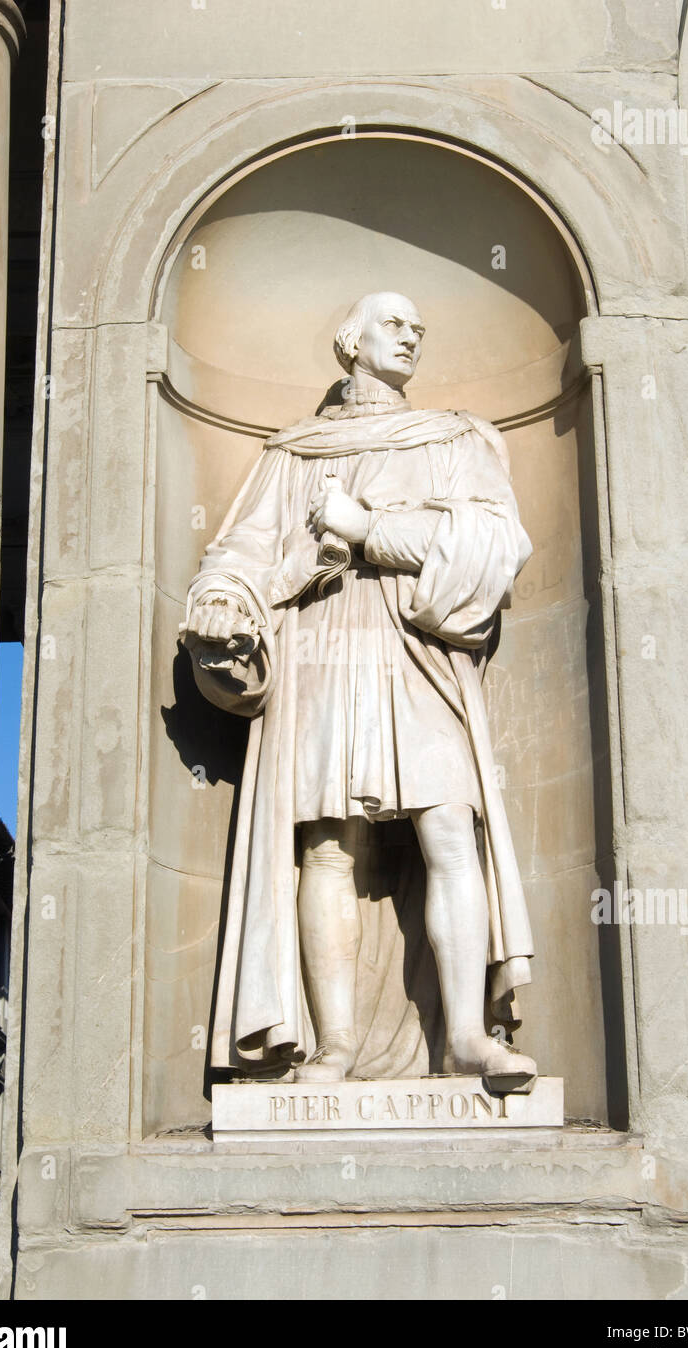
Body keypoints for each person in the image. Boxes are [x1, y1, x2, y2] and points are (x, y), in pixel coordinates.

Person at [182, 291, 536, 1087]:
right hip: (322, 647)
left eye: (420, 326)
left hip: (419, 649)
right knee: (327, 844)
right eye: (395, 322)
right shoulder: (292, 452)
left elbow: (494, 544)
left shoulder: (454, 438)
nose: (412, 334)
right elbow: (242, 547)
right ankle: (333, 1047)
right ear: (350, 341)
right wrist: (221, 598)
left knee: (451, 827)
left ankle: (468, 1038)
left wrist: (370, 528)